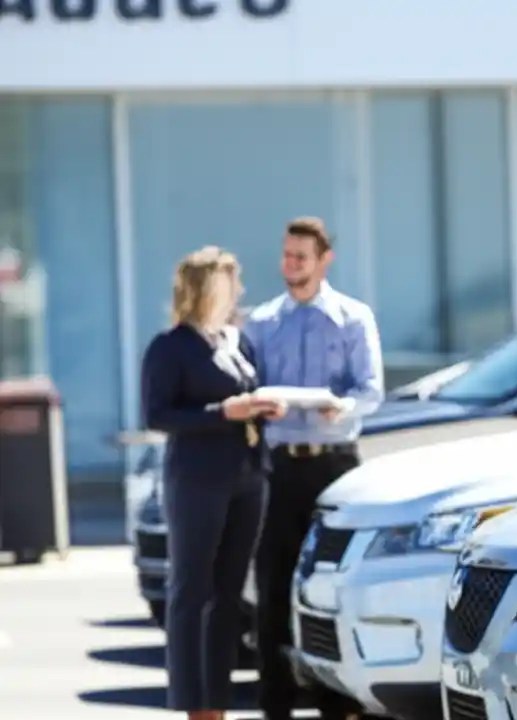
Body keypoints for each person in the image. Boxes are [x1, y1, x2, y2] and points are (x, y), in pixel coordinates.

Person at [243, 217, 384, 720]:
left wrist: (342, 408)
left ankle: (337, 705)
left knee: (331, 584)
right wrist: (263, 407)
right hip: (280, 469)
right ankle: (275, 704)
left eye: (301, 257)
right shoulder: (261, 322)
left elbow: (371, 390)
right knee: (274, 584)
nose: (291, 266)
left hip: (334, 466)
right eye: (286, 256)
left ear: (325, 260)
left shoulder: (352, 318)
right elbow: (248, 390)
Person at [141, 247, 286, 720]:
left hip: (247, 475)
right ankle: (191, 705)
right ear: (203, 290)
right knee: (191, 593)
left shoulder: (237, 342)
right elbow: (158, 415)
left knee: (228, 595)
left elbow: (247, 394)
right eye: (228, 283)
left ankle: (217, 705)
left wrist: (265, 407)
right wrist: (223, 412)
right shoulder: (170, 346)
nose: (237, 292)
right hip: (198, 480)